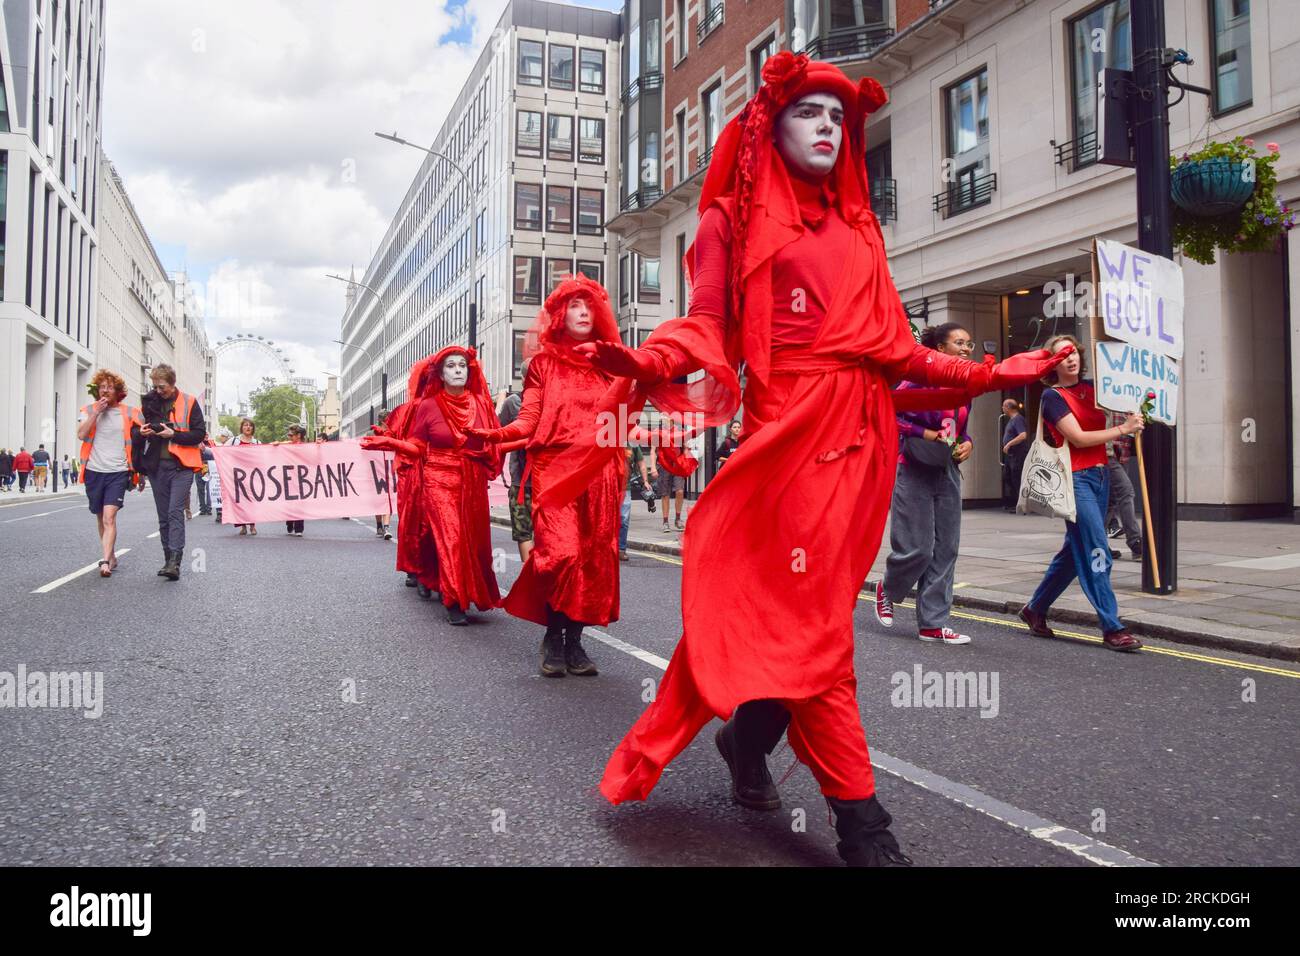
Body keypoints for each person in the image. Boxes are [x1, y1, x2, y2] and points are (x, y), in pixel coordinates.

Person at [548, 53, 1069, 865]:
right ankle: (864, 824)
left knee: (796, 625)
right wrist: (648, 362)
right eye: (809, 113)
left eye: (839, 117)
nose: (829, 127)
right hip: (787, 447)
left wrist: (999, 372)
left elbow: (900, 353)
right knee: (821, 636)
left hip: (861, 450)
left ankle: (748, 736)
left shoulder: (862, 226)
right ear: (770, 125)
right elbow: (705, 325)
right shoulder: (728, 218)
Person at [467, 275, 622, 676]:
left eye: (590, 305)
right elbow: (530, 419)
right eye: (574, 305)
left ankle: (575, 642)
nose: (584, 311)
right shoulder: (543, 365)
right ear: (559, 315)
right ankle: (553, 634)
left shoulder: (612, 365)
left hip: (601, 474)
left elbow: (623, 422)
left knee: (592, 562)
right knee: (561, 554)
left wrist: (665, 436)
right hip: (555, 473)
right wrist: (497, 437)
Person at [1019, 335, 1144, 653]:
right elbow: (1079, 438)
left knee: (1073, 554)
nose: (1069, 358)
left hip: (1101, 475)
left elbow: (1131, 394)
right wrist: (1123, 430)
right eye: (1061, 355)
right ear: (1052, 364)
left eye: (1072, 351)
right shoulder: (1052, 397)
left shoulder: (1096, 388)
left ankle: (1035, 608)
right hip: (1074, 479)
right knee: (1097, 548)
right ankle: (1112, 627)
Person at [363, 346, 503, 626]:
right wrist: (390, 443)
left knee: (471, 542)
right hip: (438, 479)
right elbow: (416, 447)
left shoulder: (481, 404)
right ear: (440, 373)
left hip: (472, 482)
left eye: (462, 365)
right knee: (451, 538)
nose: (458, 370)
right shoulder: (428, 406)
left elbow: (496, 441)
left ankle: (460, 589)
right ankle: (453, 602)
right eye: (451, 366)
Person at [875, 322, 975, 645]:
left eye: (969, 344)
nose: (966, 348)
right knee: (918, 548)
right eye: (959, 342)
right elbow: (889, 411)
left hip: (946, 469)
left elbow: (960, 428)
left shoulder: (963, 389)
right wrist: (926, 434)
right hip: (914, 466)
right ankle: (887, 588)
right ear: (940, 349)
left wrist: (967, 442)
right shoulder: (916, 381)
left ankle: (932, 622)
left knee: (947, 548)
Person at [133, 364, 207, 580]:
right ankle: (167, 559)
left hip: (181, 467)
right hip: (157, 467)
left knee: (175, 512)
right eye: (155, 386)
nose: (158, 390)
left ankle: (175, 561)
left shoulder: (190, 401)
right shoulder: (149, 402)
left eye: (162, 386)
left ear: (172, 383)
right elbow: (135, 433)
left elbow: (199, 434)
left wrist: (172, 434)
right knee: (163, 516)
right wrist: (143, 432)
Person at [76, 369, 140, 577]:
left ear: (118, 391)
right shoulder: (87, 410)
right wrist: (96, 413)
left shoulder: (130, 412)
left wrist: (141, 472)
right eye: (102, 386)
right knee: (100, 516)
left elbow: (141, 440)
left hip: (118, 471)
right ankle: (111, 555)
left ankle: (104, 561)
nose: (105, 390)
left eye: (110, 387)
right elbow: (81, 435)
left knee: (109, 517)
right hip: (94, 471)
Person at [497, 375, 534, 563]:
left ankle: (530, 579)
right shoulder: (553, 400)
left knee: (524, 533)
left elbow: (498, 434)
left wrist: (494, 468)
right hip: (551, 482)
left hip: (521, 482)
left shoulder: (513, 402)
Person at [1104, 412, 1143, 562]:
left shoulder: (1128, 398)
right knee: (1126, 492)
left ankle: (1096, 543)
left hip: (1122, 453)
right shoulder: (1107, 396)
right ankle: (1135, 542)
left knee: (1111, 501)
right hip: (1108, 453)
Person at [228, 419, 261, 535]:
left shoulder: (257, 442)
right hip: (237, 475)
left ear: (253, 428)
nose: (248, 427)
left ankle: (252, 526)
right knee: (240, 501)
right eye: (245, 425)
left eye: (250, 425)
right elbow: (220, 451)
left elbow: (264, 455)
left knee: (252, 501)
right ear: (242, 427)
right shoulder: (233, 441)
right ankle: (243, 526)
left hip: (253, 476)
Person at [620, 443, 651, 561]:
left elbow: (642, 463)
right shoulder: (609, 440)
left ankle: (621, 549)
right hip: (609, 487)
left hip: (625, 488)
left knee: (624, 518)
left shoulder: (632, 445)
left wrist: (646, 481)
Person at [365, 417, 393, 540]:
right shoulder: (371, 434)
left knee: (388, 498)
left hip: (388, 470)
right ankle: (379, 525)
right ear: (383, 421)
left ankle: (386, 527)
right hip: (374, 471)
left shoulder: (393, 433)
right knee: (378, 500)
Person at [1001, 399, 1028, 512]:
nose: (1002, 408)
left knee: (1016, 479)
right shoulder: (1011, 420)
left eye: (1003, 406)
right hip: (1011, 456)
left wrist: (1009, 444)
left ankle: (1020, 505)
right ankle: (1013, 502)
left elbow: (1023, 435)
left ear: (1008, 407)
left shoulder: (1018, 419)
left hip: (1017, 455)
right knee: (1008, 477)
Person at [282, 425, 308, 536]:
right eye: (288, 435)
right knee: (289, 502)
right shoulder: (286, 446)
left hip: (302, 478)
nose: (289, 437)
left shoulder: (307, 447)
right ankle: (289, 521)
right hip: (288, 477)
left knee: (299, 503)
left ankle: (299, 529)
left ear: (299, 436)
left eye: (291, 435)